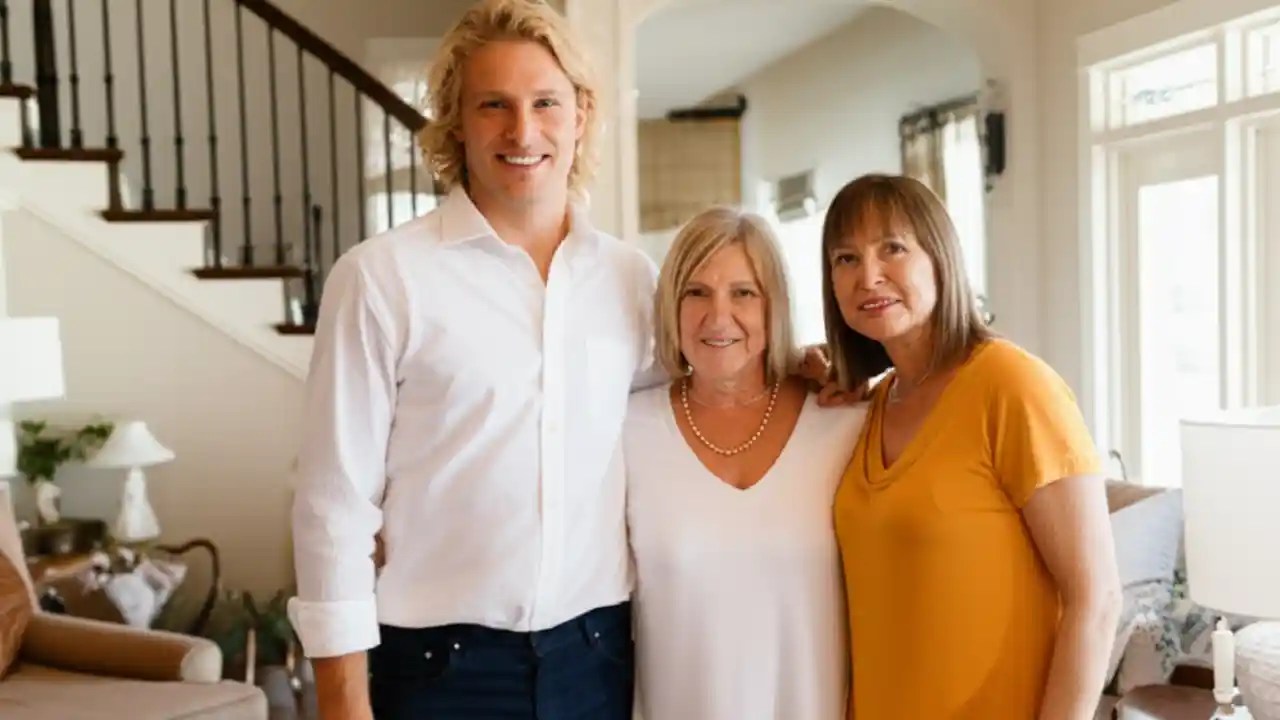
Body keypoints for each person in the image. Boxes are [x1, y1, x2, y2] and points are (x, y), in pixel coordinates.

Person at [287, 1, 659, 718]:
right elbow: (334, 504)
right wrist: (341, 701)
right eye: (495, 105)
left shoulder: (631, 279)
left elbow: (689, 410)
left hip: (599, 655)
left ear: (580, 114)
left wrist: (799, 374)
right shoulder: (381, 277)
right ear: (457, 121)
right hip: (437, 670)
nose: (523, 131)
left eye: (545, 102)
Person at [821, 174, 1123, 720]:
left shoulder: (1011, 385)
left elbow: (1096, 600)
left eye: (893, 248)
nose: (868, 275)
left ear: (940, 257)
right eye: (845, 258)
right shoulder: (874, 405)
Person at [625, 207, 867, 720]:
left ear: (773, 305)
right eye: (696, 292)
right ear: (671, 304)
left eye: (743, 293)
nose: (718, 317)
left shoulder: (844, 422)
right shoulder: (627, 431)